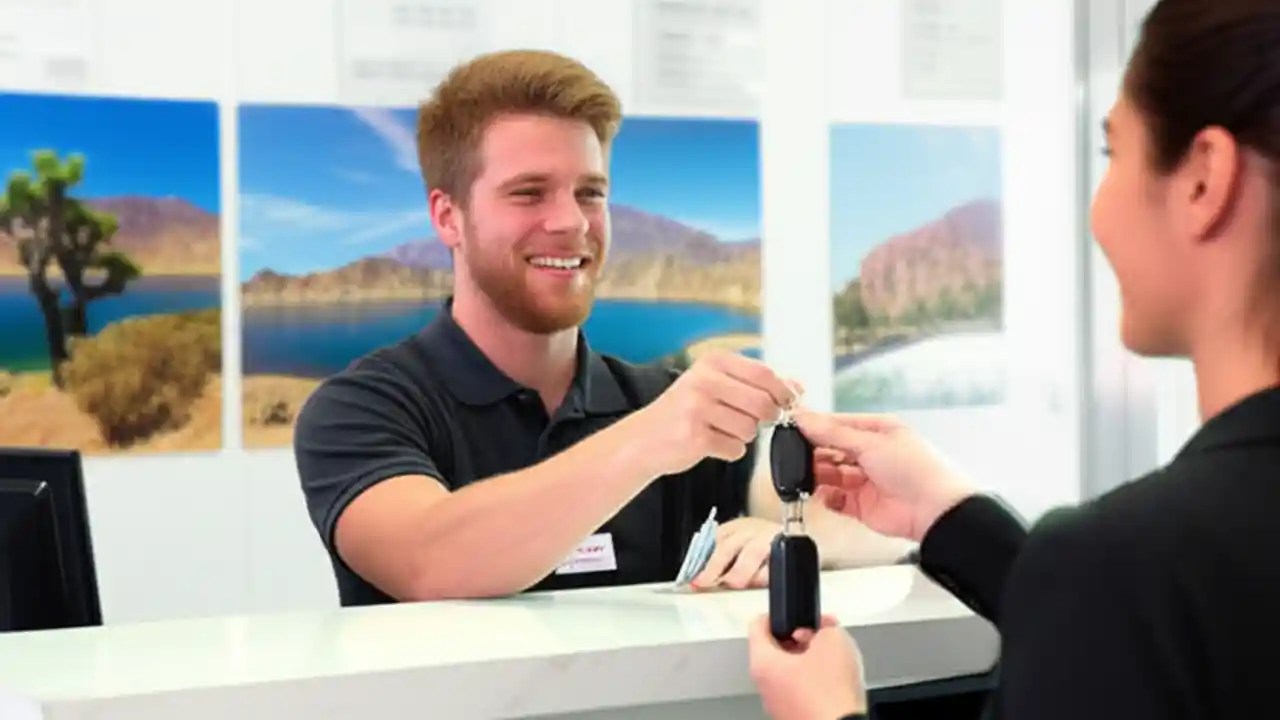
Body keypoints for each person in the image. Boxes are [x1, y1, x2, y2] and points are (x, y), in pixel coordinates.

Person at [746, 0, 1280, 718]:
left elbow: (1125, 607)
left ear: (1203, 179)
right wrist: (952, 517)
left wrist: (826, 714)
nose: (1101, 204)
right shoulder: (1140, 570)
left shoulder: (1132, 567)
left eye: (1112, 152)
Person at [293, 49, 909, 606]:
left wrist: (797, 539)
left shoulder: (666, 404)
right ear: (448, 217)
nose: (570, 222)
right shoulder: (361, 409)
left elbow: (871, 524)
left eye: (590, 193)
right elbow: (429, 562)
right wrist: (647, 441)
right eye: (529, 193)